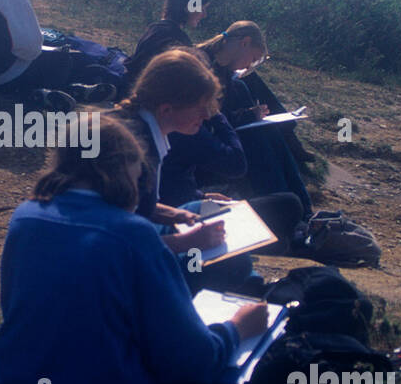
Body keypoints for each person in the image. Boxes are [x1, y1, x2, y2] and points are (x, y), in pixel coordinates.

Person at [0, 113, 276, 384]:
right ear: (122, 166)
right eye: (139, 167)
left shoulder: (26, 215)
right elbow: (194, 362)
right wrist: (236, 328)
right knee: (262, 380)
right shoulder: (133, 234)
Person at [110, 49, 305, 282]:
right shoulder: (135, 150)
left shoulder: (146, 129)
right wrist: (185, 242)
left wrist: (173, 213)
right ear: (166, 109)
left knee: (233, 251)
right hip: (120, 263)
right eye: (201, 107)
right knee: (236, 266)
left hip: (140, 234)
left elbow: (136, 207)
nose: (207, 114)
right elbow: (114, 239)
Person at [196, 21, 313, 214]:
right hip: (202, 138)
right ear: (245, 43)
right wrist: (248, 115)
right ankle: (287, 208)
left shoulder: (224, 70)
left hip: (218, 131)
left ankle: (303, 208)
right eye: (252, 58)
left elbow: (223, 113)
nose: (249, 65)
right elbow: (207, 116)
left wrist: (250, 115)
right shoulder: (201, 64)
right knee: (258, 139)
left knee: (270, 133)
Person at [120, 0, 211, 95]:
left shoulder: (157, 28)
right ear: (188, 7)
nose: (204, 14)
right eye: (202, 8)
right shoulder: (173, 37)